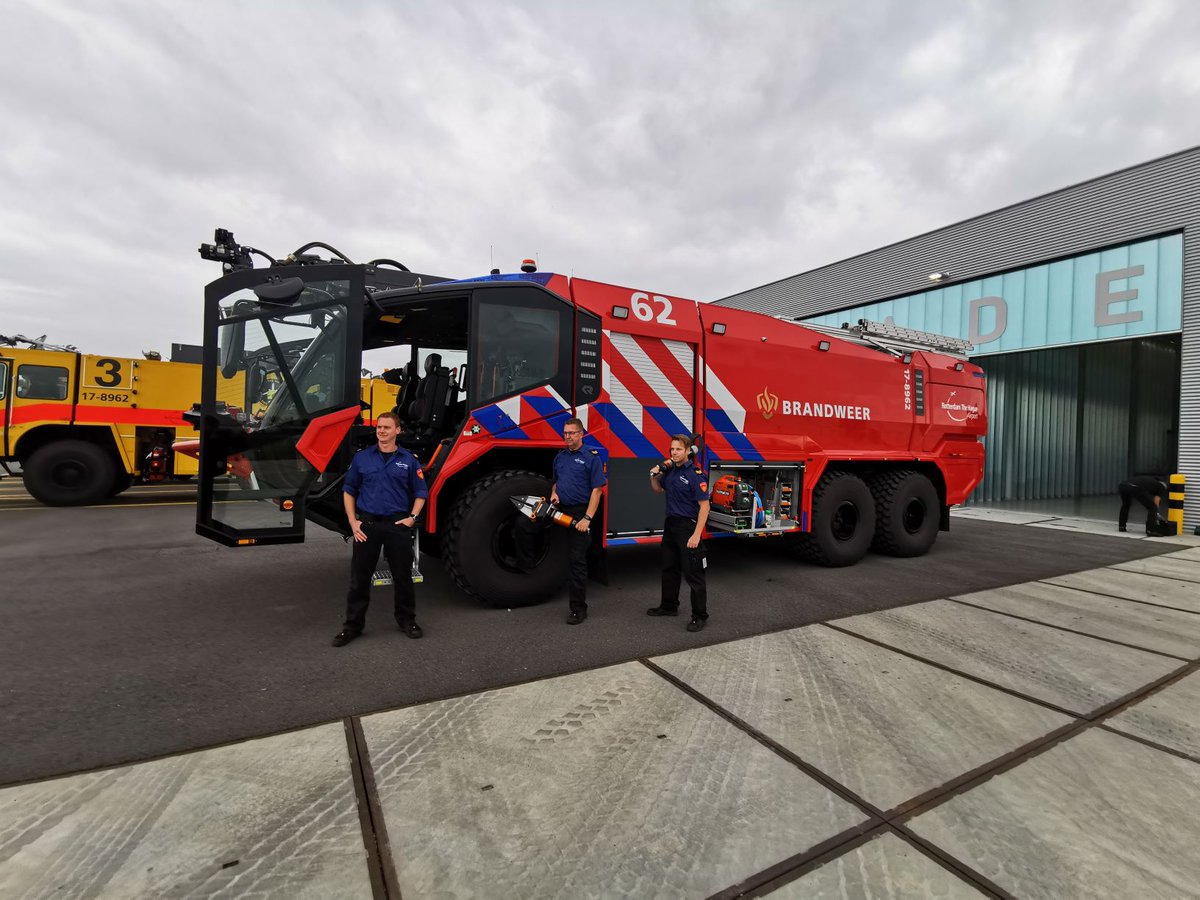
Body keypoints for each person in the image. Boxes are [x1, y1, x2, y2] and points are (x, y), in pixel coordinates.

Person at [332, 411, 428, 646]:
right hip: (368, 525)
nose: (381, 431)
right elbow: (349, 490)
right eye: (379, 427)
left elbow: (421, 492)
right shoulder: (362, 458)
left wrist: (412, 518)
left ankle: (407, 621)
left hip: (397, 525)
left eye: (387, 427)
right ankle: (352, 626)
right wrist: (353, 522)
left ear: (398, 431)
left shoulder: (409, 460)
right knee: (359, 579)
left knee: (403, 577)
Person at [646, 434, 711, 632]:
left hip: (688, 528)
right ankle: (668, 606)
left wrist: (696, 534)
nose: (674, 452)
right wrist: (654, 475)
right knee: (669, 568)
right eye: (672, 449)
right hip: (671, 525)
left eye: (678, 449)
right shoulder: (671, 471)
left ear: (688, 451)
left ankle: (699, 616)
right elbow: (658, 489)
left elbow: (704, 507)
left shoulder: (696, 474)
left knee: (694, 574)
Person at [551, 418, 605, 624]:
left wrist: (587, 519)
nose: (568, 437)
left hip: (579, 513)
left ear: (581, 434)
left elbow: (597, 490)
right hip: (560, 511)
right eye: (565, 433)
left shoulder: (591, 457)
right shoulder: (560, 457)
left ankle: (578, 609)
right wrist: (554, 494)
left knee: (577, 561)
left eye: (572, 433)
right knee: (528, 527)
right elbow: (556, 483)